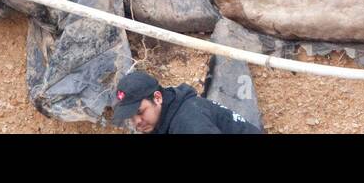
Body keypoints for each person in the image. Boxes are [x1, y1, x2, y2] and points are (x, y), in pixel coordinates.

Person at [110, 70, 262, 134]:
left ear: (157, 98)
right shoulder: (165, 117)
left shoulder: (189, 123)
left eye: (140, 112)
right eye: (131, 116)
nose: (137, 122)